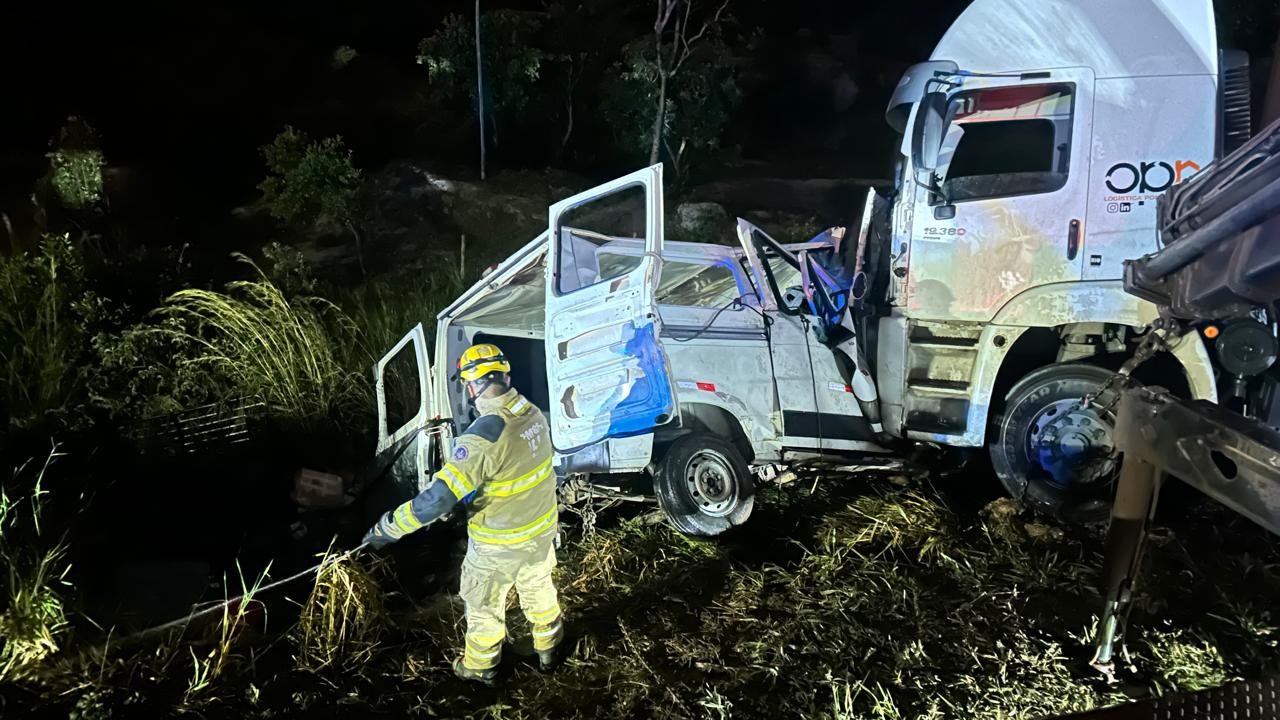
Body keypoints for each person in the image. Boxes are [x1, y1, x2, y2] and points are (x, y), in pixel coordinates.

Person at [363, 343, 562, 685]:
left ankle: (481, 667)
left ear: (472, 386)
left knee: (483, 604)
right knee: (539, 586)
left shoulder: (482, 438)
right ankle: (549, 648)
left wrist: (387, 528)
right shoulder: (532, 412)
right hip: (541, 530)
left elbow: (436, 501)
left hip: (498, 545)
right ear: (506, 376)